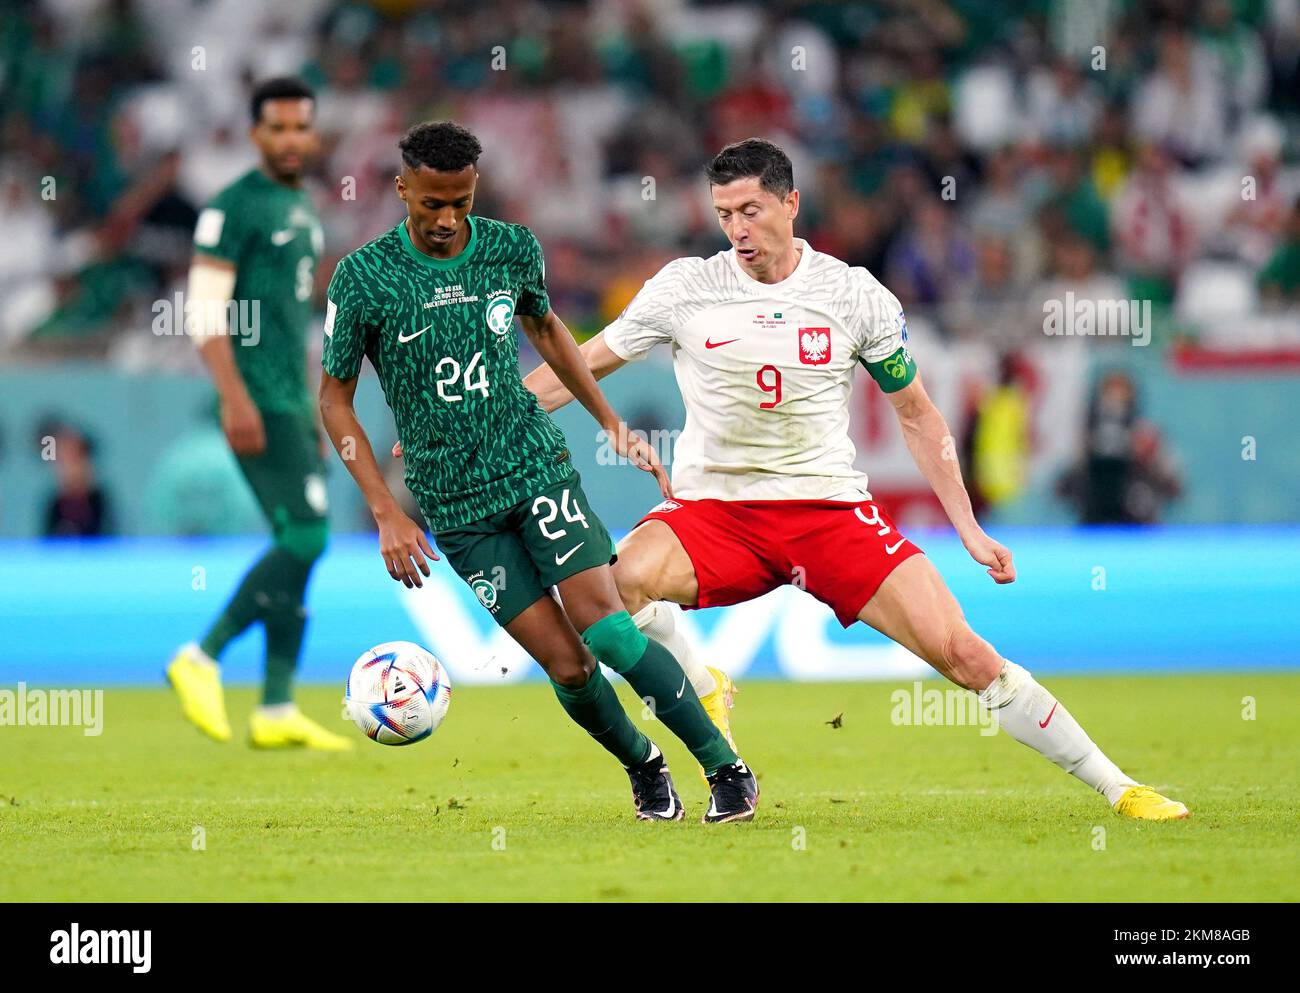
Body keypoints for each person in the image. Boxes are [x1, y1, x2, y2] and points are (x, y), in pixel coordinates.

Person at [524, 138, 1189, 821]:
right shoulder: (685, 287)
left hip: (829, 514)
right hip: (714, 513)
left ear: (791, 203)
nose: (737, 229)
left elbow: (919, 416)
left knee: (964, 653)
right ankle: (702, 682)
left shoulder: (851, 293)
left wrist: (968, 526)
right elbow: (583, 363)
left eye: (751, 210)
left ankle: (1119, 787)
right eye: (724, 214)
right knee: (614, 585)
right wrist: (500, 411)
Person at [318, 121, 757, 823]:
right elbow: (333, 400)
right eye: (430, 203)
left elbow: (548, 331)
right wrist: (385, 510)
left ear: (474, 189)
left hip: (532, 466)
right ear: (402, 189)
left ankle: (727, 768)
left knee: (610, 631)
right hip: (456, 505)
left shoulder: (509, 249)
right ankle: (645, 766)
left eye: (459, 201)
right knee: (569, 666)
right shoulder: (364, 278)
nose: (446, 218)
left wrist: (610, 420)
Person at [165, 78, 348, 751]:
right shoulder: (233, 207)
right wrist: (235, 396)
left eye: (302, 126)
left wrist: (310, 410)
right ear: (255, 135)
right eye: (278, 128)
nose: (292, 139)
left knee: (297, 551)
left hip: (288, 401)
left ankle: (274, 705)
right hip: (254, 401)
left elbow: (291, 322)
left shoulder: (303, 207)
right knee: (307, 537)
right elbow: (204, 313)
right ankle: (202, 654)